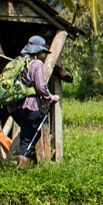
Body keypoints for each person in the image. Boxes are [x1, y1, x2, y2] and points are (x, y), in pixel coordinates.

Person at [14, 35, 60, 168]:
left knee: (28, 136)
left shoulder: (20, 61)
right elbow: (41, 87)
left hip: (18, 107)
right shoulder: (37, 64)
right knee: (27, 142)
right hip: (31, 107)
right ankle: (22, 171)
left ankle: (22, 168)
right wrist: (51, 98)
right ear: (38, 51)